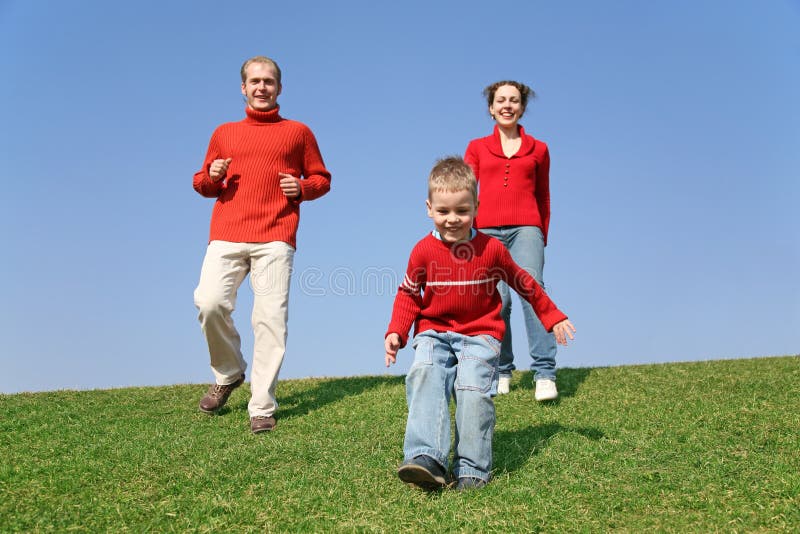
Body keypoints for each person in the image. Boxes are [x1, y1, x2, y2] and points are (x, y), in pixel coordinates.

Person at [384, 156, 575, 491]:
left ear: (476, 207)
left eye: (462, 210)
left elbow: (525, 282)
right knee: (425, 372)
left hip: (480, 334)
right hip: (435, 330)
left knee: (472, 390)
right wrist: (397, 330)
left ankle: (472, 469)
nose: (452, 219)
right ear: (429, 208)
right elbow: (409, 294)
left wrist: (552, 315)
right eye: (443, 211)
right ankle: (426, 458)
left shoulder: (491, 250)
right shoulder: (423, 251)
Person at [192, 56, 331, 434]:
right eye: (254, 81)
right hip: (227, 234)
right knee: (209, 303)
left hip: (275, 237)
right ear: (243, 88)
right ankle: (229, 373)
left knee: (269, 320)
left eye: (268, 81)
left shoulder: (298, 132)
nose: (261, 87)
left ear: (279, 88)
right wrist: (212, 175)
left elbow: (321, 178)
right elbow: (202, 185)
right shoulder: (223, 133)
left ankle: (261, 406)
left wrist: (302, 188)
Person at [464, 80, 559, 400]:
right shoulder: (476, 148)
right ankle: (502, 368)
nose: (507, 105)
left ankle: (544, 372)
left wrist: (541, 232)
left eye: (514, 100)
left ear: (522, 107)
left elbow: (543, 195)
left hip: (526, 228)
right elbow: (466, 191)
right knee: (496, 300)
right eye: (501, 100)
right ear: (491, 108)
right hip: (485, 231)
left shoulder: (540, 149)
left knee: (533, 289)